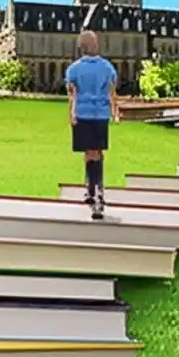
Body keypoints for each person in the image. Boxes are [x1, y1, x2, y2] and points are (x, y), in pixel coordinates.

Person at [65, 31, 118, 221]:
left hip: (83, 113)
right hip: (100, 115)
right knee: (96, 152)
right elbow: (112, 92)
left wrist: (71, 114)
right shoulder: (107, 67)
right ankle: (93, 190)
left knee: (90, 153)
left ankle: (96, 195)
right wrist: (114, 112)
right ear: (95, 46)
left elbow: (72, 95)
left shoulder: (73, 70)